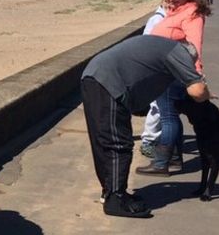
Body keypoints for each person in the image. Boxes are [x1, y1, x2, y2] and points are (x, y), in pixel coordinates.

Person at [81, 34, 211, 218]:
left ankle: (111, 192)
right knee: (117, 144)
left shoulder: (164, 48)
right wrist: (207, 94)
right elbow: (198, 92)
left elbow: (144, 77)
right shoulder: (180, 53)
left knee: (104, 141)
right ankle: (115, 200)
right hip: (107, 81)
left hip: (95, 76)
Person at [136, 0, 211, 176]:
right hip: (165, 71)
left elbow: (195, 45)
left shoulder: (192, 13)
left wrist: (196, 74)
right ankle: (175, 160)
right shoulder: (178, 11)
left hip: (173, 73)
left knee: (168, 118)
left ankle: (161, 163)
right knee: (171, 116)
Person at [139, 2, 167, 158]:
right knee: (156, 106)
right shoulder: (156, 20)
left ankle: (154, 139)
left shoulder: (167, 18)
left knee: (160, 107)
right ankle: (148, 141)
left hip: (162, 68)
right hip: (156, 69)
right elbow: (146, 45)